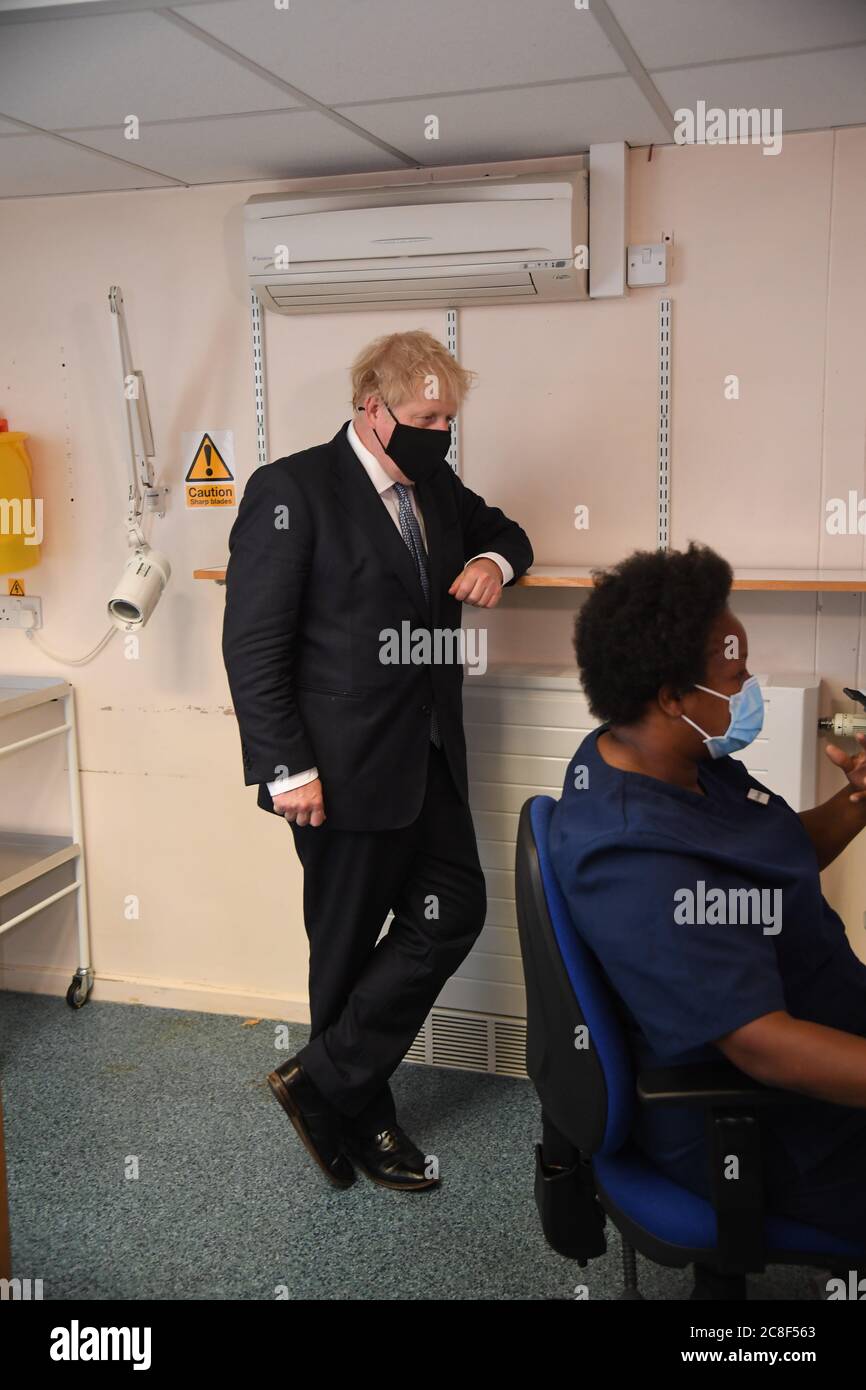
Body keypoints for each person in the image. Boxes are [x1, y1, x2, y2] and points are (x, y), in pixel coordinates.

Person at [222, 330, 533, 1191]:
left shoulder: (431, 483)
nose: (441, 432)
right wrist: (287, 768)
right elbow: (253, 645)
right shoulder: (291, 491)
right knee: (345, 946)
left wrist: (490, 562)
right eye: (427, 416)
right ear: (373, 407)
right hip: (336, 770)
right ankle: (368, 1117)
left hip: (428, 755)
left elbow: (509, 531)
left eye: (449, 418)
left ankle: (322, 1083)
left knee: (454, 910)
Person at [549, 541, 866, 1248]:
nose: (749, 685)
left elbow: (773, 857)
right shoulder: (639, 860)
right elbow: (765, 1048)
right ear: (670, 696)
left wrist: (855, 803)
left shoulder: (670, 758)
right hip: (771, 1125)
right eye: (736, 673)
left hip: (829, 1026)